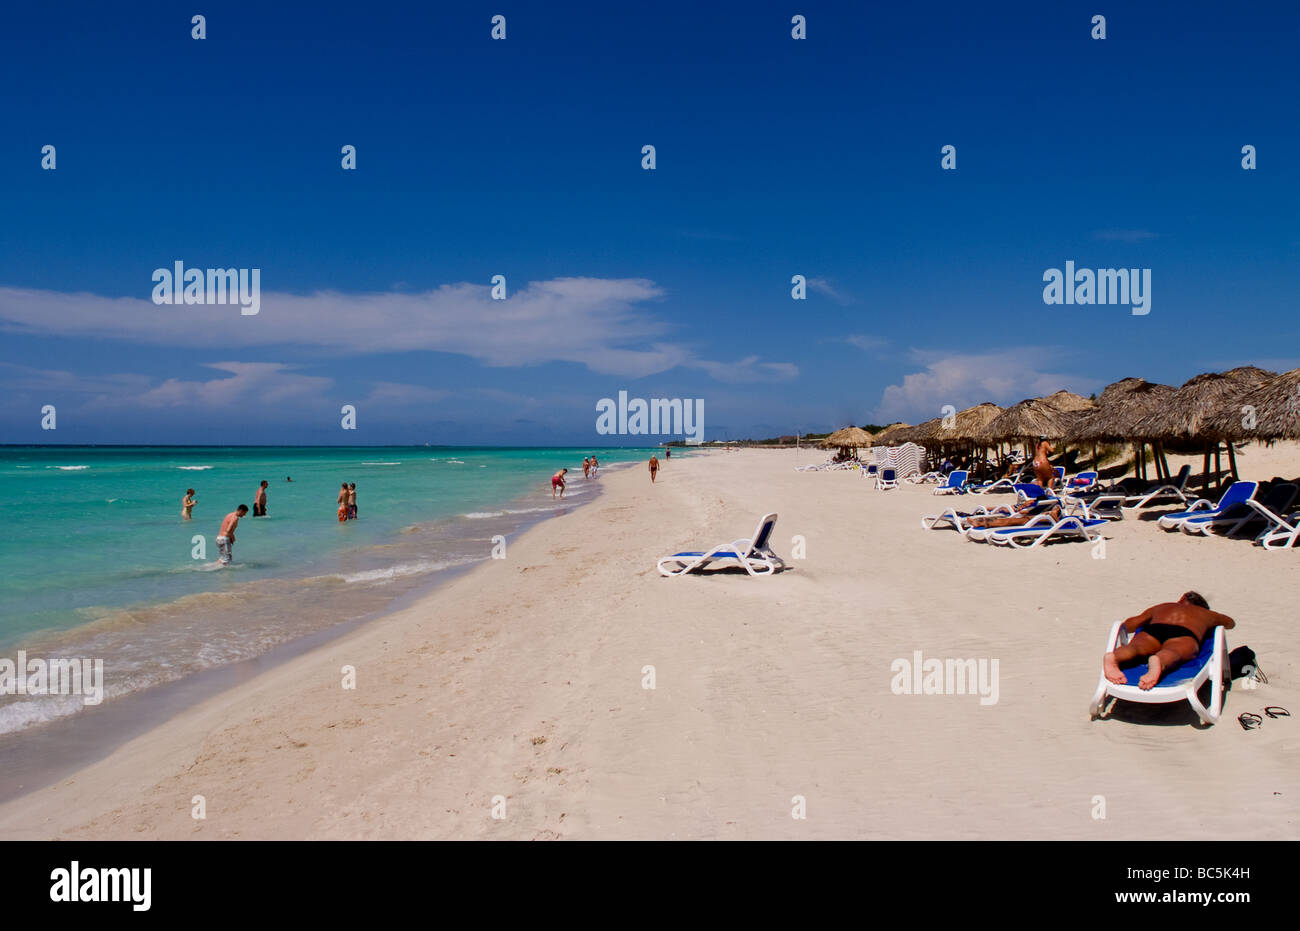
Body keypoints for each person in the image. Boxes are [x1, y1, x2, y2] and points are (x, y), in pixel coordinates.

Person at [1103, 592, 1234, 690]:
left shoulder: (1163, 607)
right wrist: (1209, 620)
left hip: (1154, 629)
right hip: (1184, 632)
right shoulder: (1206, 614)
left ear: (1183, 598)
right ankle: (1159, 661)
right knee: (1174, 651)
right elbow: (1230, 623)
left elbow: (1129, 625)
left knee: (1136, 647)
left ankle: (1114, 657)